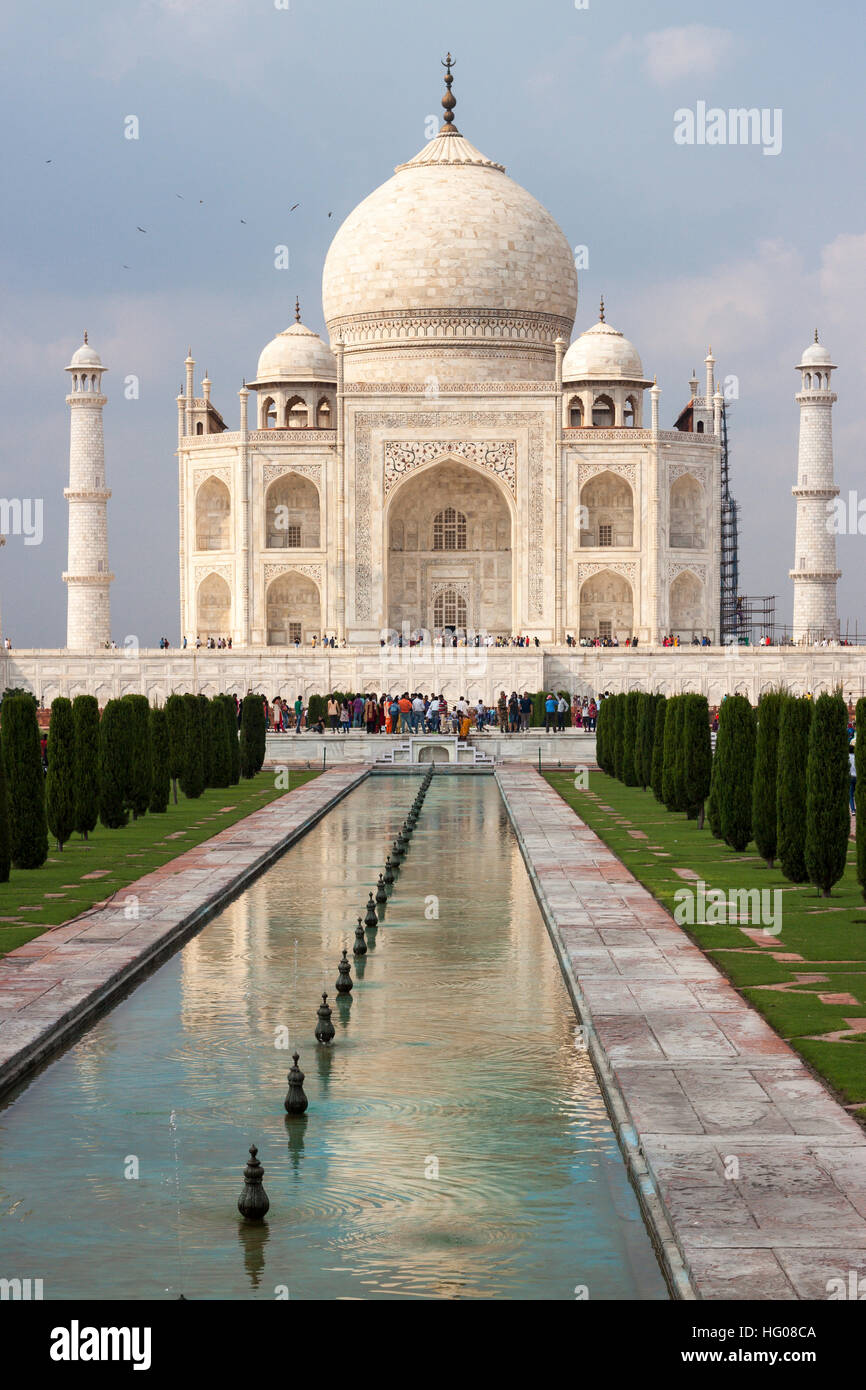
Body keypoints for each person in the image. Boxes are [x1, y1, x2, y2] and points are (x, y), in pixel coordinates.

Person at [850, 742, 857, 815]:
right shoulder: (856, 756)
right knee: (858, 793)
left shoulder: (847, 757)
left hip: (850, 777)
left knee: (851, 795)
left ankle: (853, 810)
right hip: (857, 776)